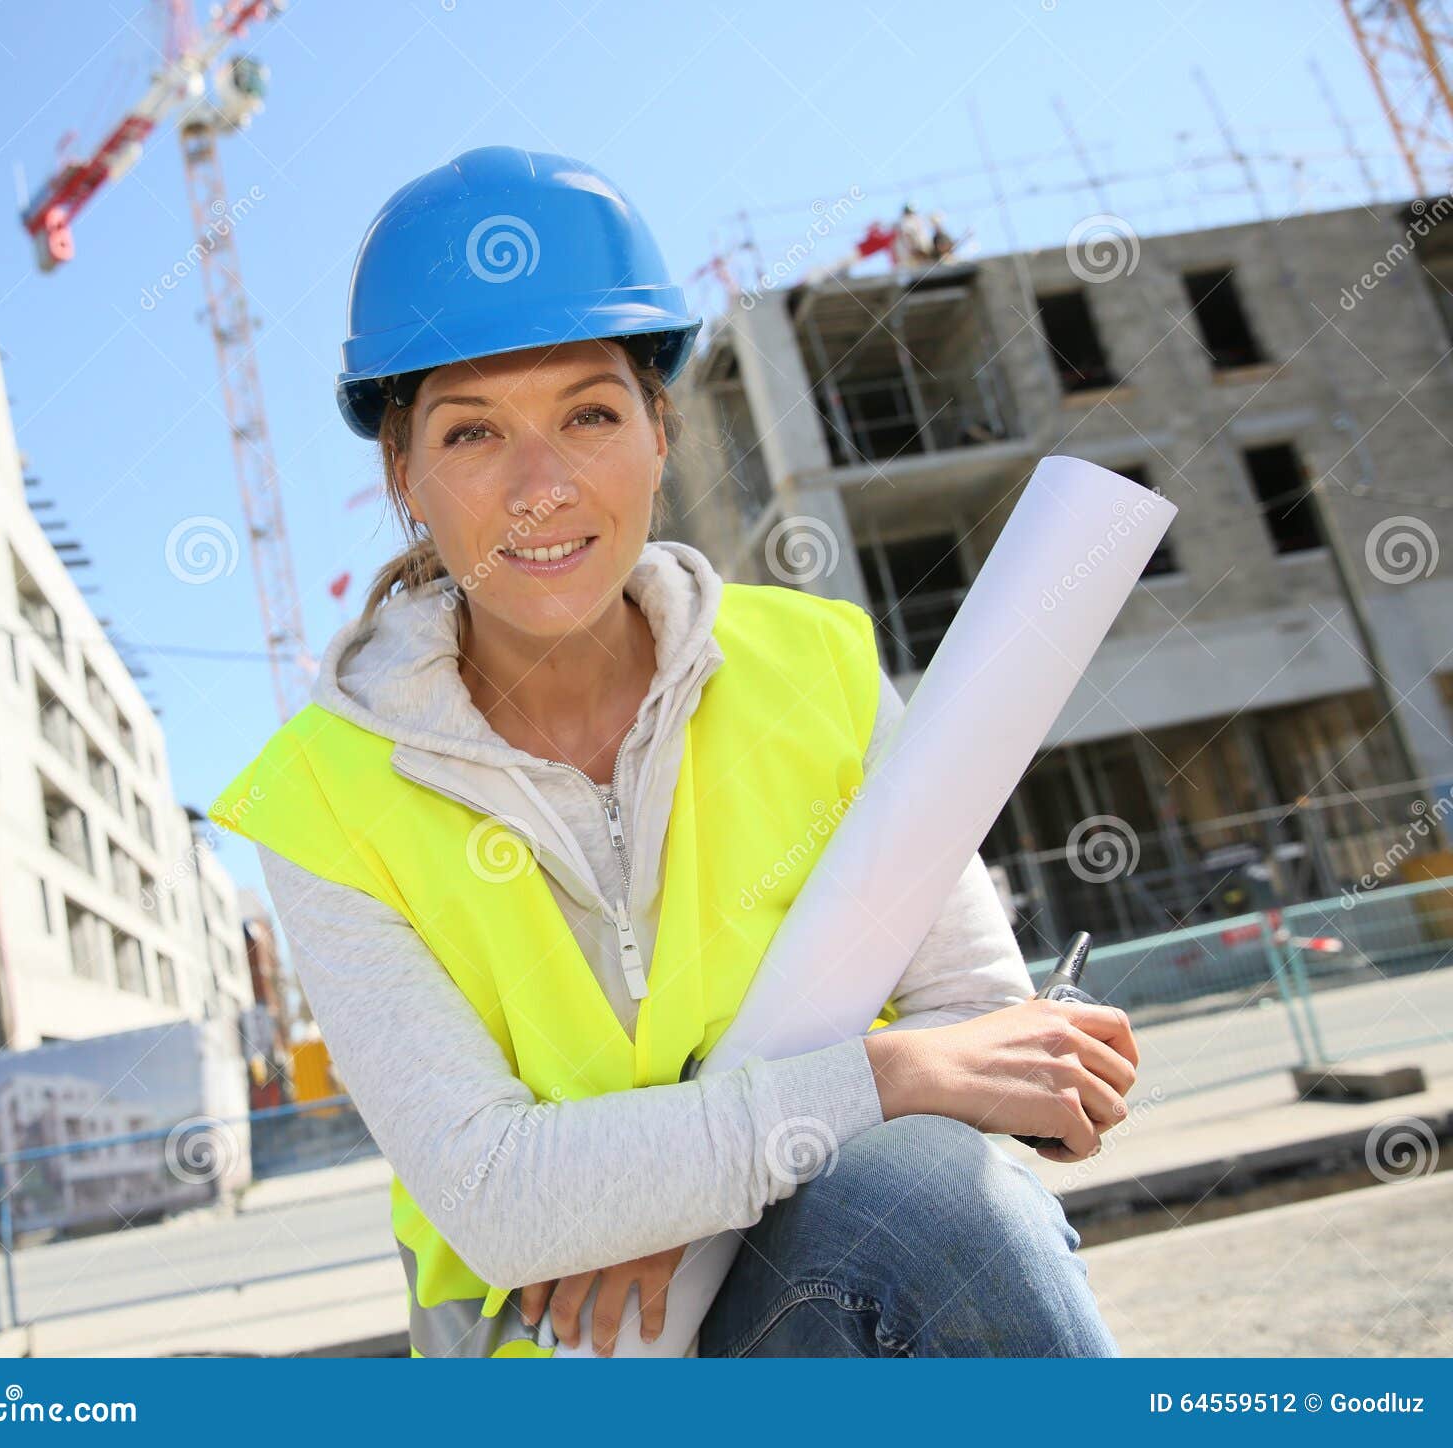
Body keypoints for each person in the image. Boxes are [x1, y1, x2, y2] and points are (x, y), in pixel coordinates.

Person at [211, 145, 1138, 1360]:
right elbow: (500, 1196)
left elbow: (974, 1011)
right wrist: (886, 1077)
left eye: (589, 413)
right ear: (405, 472)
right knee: (908, 1168)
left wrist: (690, 1193)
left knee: (939, 1209)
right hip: (570, 1351)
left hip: (813, 1272)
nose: (541, 487)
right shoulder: (322, 798)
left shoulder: (815, 667)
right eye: (475, 432)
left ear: (659, 428)